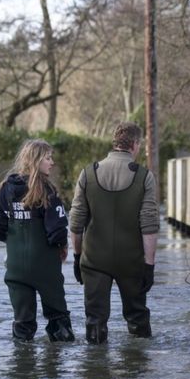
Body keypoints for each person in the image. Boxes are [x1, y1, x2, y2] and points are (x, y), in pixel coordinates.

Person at [69, 122, 159, 344]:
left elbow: (76, 222)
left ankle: (95, 371)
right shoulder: (144, 176)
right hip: (132, 259)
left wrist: (77, 257)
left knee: (95, 320)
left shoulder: (88, 173)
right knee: (138, 317)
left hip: (94, 259)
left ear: (115, 142)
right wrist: (149, 265)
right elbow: (149, 224)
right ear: (135, 144)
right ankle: (137, 372)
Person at [0, 139, 75, 342]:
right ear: (36, 161)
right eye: (47, 158)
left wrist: (14, 242)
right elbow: (57, 230)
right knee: (59, 321)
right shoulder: (47, 191)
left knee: (22, 325)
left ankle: (23, 369)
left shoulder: (7, 188)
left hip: (16, 267)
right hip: (45, 265)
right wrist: (62, 247)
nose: (51, 162)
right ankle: (55, 367)